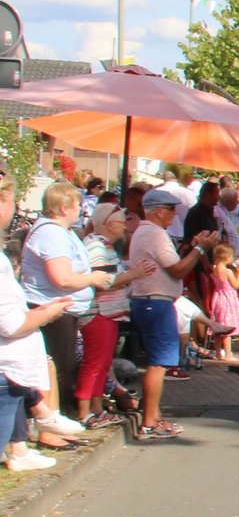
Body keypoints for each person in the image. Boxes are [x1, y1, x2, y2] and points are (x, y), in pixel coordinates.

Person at [0, 175, 86, 475]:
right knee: (53, 369)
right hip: (13, 351)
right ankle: (45, 422)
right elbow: (12, 323)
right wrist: (49, 312)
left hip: (14, 360)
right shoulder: (50, 234)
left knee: (30, 378)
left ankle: (35, 428)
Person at [128, 188, 216, 440]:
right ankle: (149, 422)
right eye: (170, 209)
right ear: (158, 212)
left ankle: (152, 416)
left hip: (150, 300)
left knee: (160, 362)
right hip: (155, 302)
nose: (174, 214)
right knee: (159, 364)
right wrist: (199, 250)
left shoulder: (148, 232)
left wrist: (193, 245)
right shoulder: (154, 234)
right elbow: (177, 269)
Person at [20, 182, 111, 421]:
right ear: (63, 208)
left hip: (62, 308)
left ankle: (54, 418)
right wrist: (92, 278)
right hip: (52, 308)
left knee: (61, 366)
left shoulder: (63, 232)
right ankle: (50, 420)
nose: (81, 209)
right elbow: (61, 278)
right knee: (57, 368)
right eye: (77, 204)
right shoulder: (51, 233)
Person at [78, 202, 147, 426]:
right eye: (121, 221)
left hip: (109, 312)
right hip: (99, 312)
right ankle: (84, 411)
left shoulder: (104, 246)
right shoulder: (96, 247)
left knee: (103, 362)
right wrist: (134, 274)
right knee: (95, 362)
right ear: (108, 224)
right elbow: (103, 282)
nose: (125, 227)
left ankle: (96, 408)